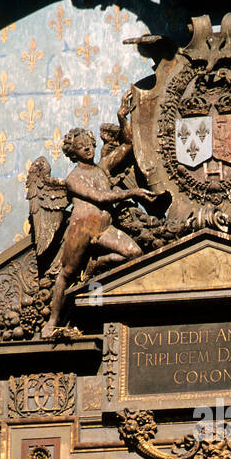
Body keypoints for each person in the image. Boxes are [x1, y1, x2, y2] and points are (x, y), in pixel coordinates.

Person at [41, 125, 151, 336]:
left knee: (134, 253)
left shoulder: (102, 168)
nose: (87, 148)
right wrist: (133, 192)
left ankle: (97, 263)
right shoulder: (73, 178)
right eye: (80, 146)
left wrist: (122, 117)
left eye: (89, 144)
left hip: (104, 228)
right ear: (73, 153)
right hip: (81, 229)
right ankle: (53, 320)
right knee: (67, 273)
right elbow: (100, 197)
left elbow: (128, 144)